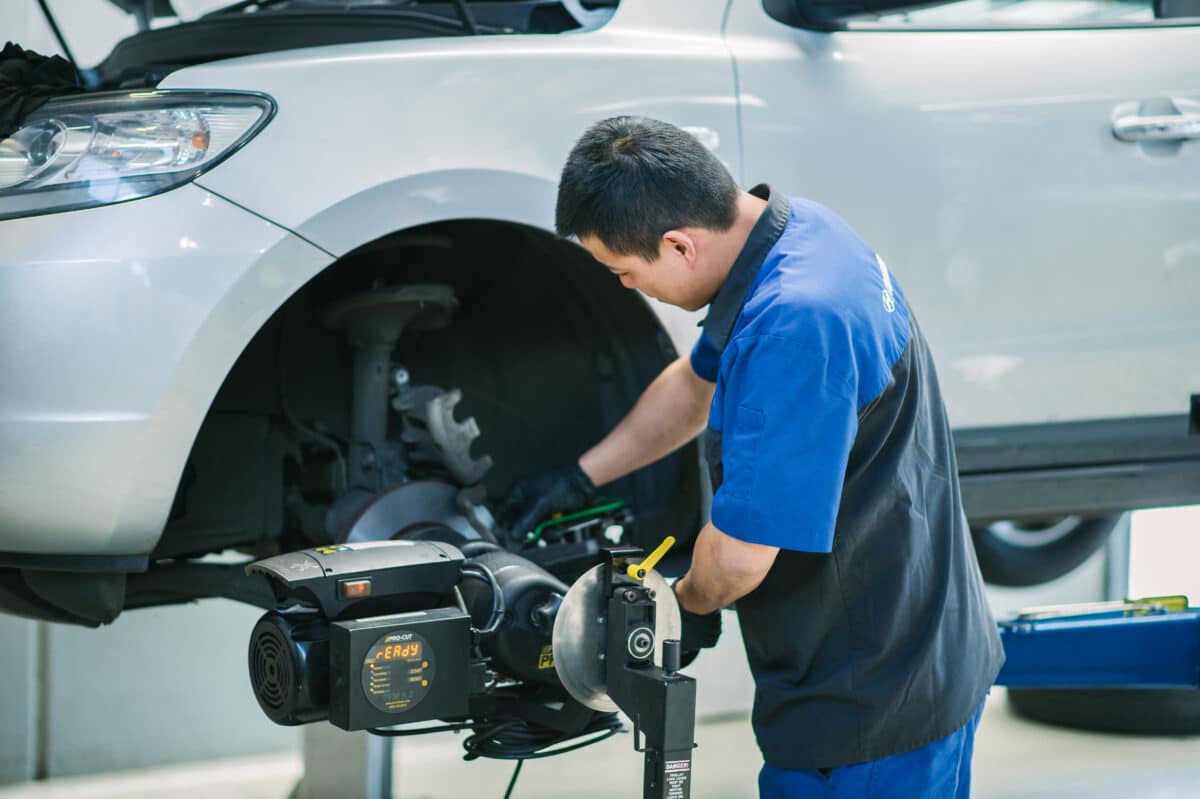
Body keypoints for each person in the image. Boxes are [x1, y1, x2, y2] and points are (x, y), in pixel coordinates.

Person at [499, 116, 1005, 798]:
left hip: (869, 705)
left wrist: (681, 607)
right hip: (916, 638)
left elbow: (739, 559)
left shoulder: (796, 322)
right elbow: (695, 384)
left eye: (624, 271)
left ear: (679, 245)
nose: (624, 287)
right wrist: (579, 477)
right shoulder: (798, 236)